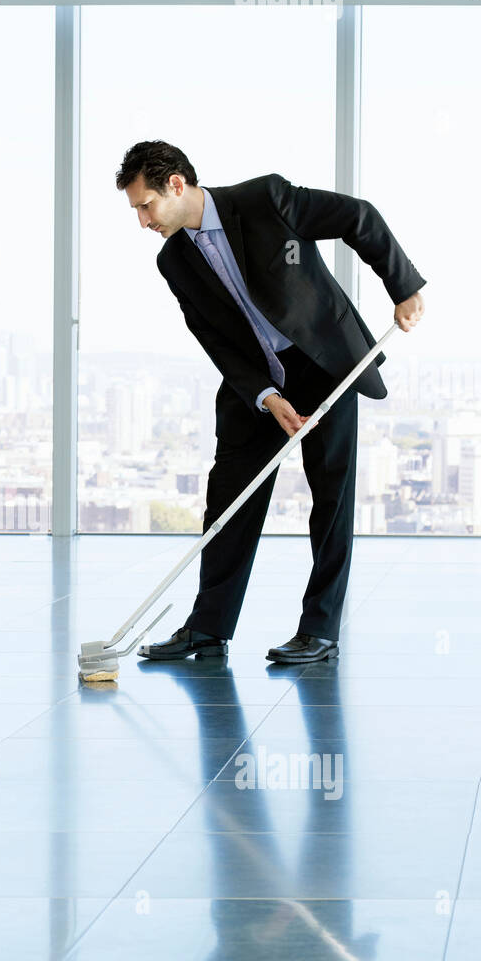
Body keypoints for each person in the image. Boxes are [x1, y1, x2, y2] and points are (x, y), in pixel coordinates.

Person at [116, 140, 426, 664]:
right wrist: (264, 395)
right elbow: (213, 337)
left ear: (175, 184)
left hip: (324, 363)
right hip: (257, 384)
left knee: (331, 497)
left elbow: (359, 217)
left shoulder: (266, 200)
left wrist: (403, 286)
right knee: (228, 499)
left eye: (145, 205)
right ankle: (208, 629)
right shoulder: (173, 262)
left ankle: (319, 630)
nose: (142, 221)